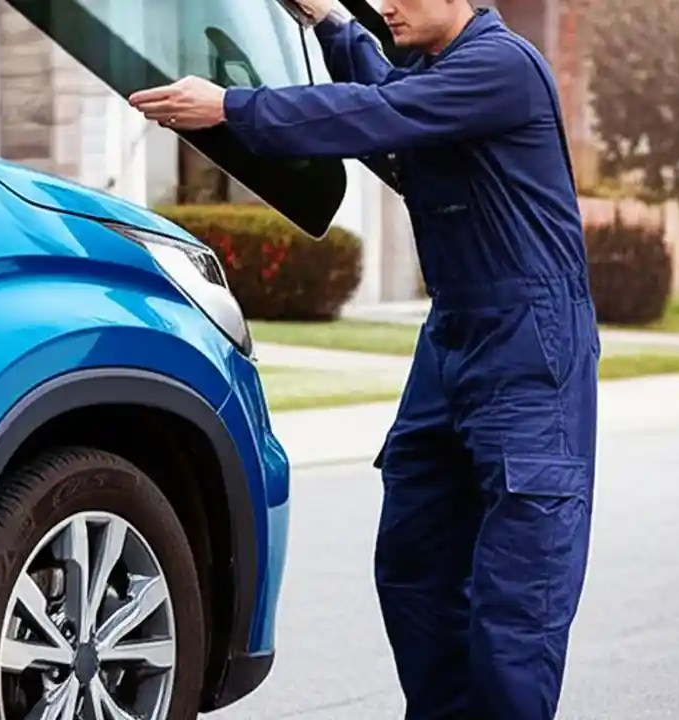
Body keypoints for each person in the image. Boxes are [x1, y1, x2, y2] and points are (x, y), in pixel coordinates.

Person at [129, 1, 600, 718]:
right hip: (452, 338)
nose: (383, 6)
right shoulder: (436, 76)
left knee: (517, 604)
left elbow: (370, 113)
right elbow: (388, 108)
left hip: (531, 346)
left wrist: (229, 106)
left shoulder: (502, 68)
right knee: (414, 565)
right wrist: (325, 22)